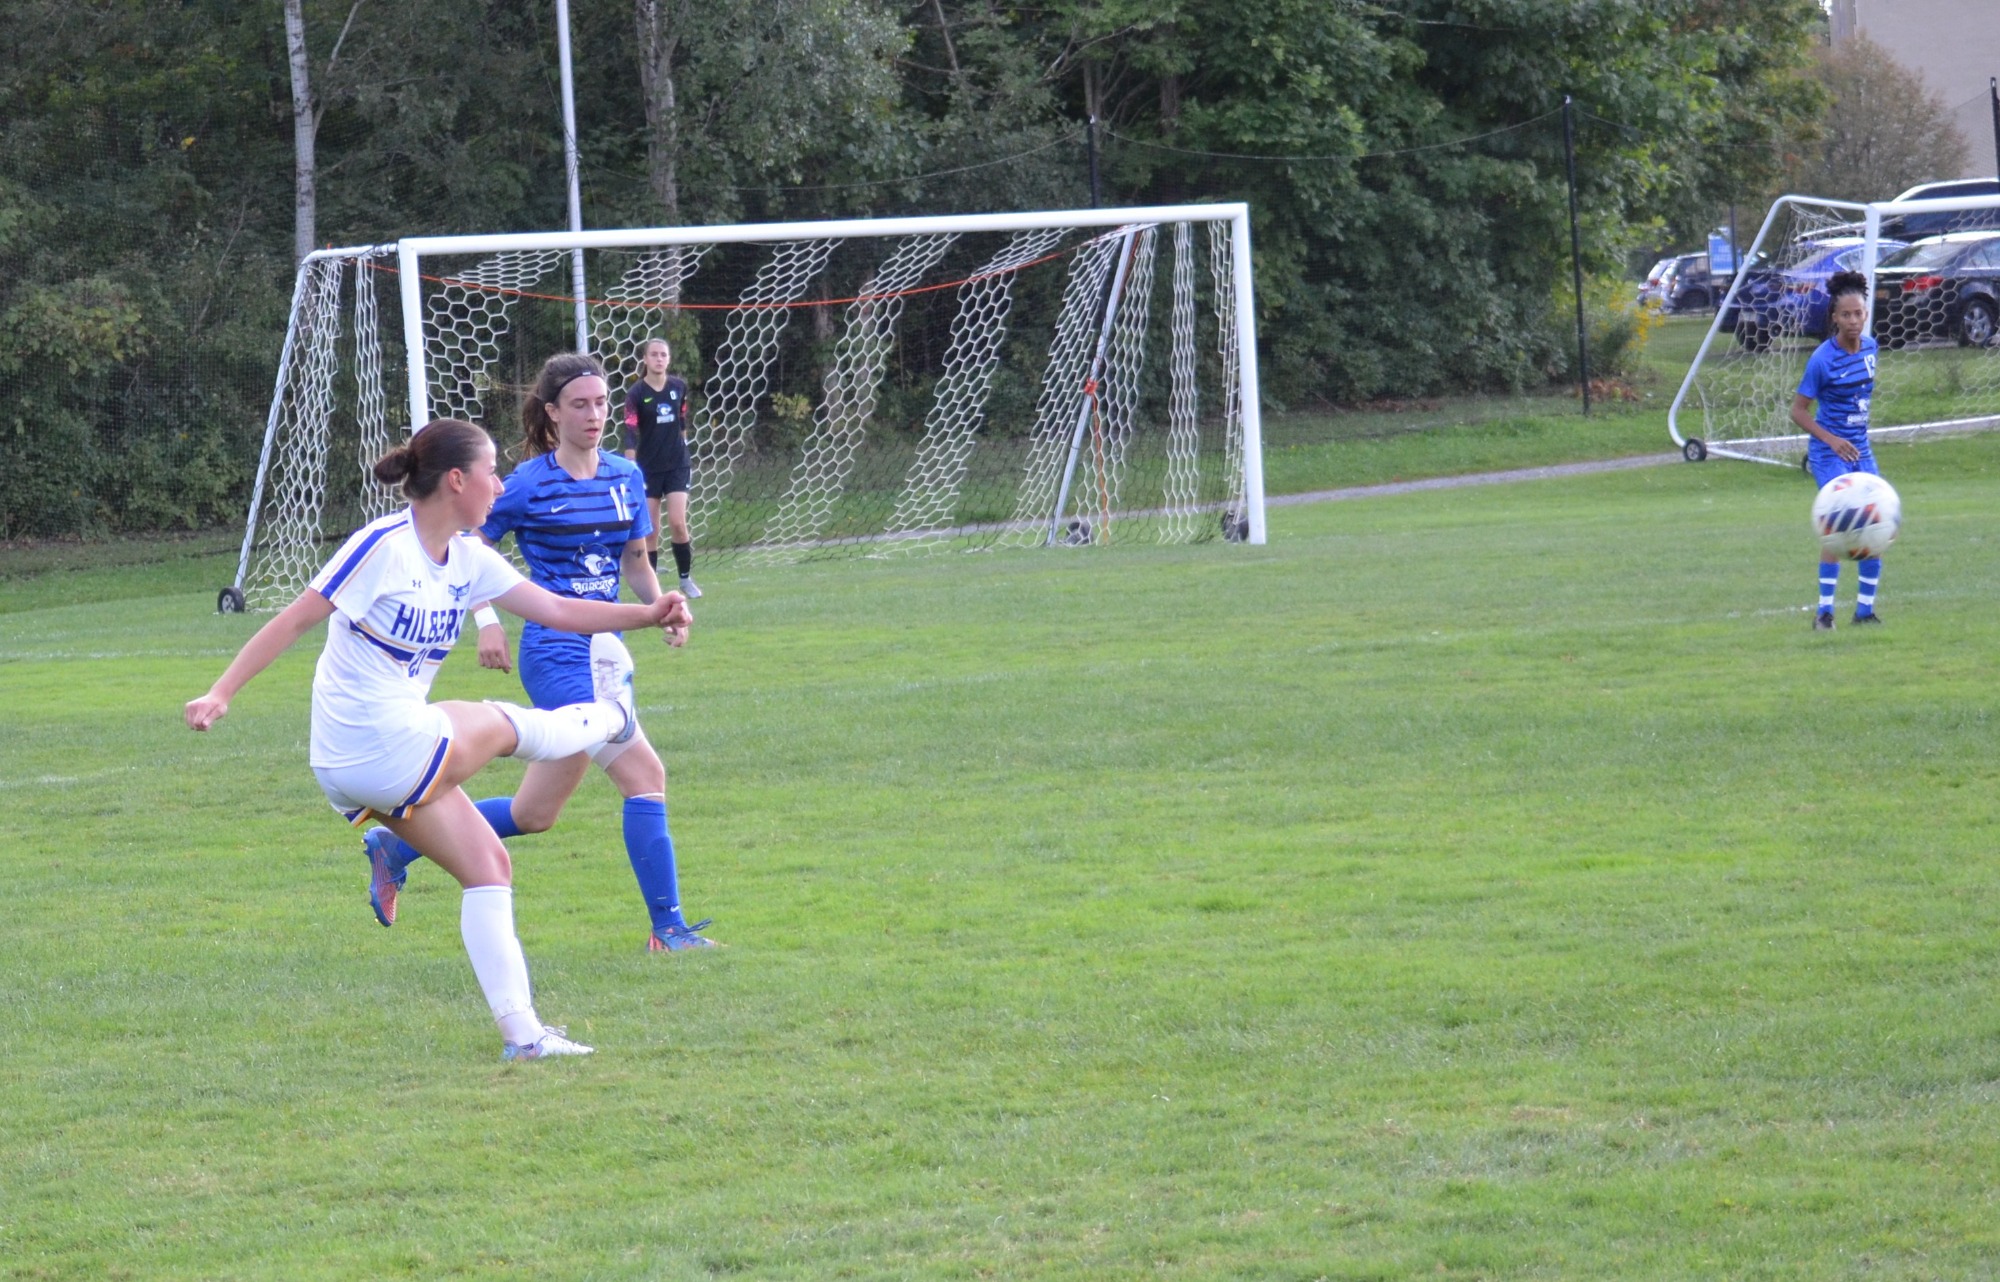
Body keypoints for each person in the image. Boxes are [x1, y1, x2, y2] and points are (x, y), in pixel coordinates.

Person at [184, 418, 693, 1060]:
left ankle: (525, 1037)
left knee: (489, 868)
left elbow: (559, 611)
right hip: (372, 739)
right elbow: (293, 620)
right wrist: (221, 691)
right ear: (458, 480)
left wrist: (646, 613)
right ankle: (611, 720)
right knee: (502, 724)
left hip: (375, 757)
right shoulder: (383, 545)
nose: (500, 482)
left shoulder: (470, 558)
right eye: (491, 471)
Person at [364, 353, 717, 952]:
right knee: (644, 774)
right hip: (555, 651)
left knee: (535, 815)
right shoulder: (525, 482)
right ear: (552, 412)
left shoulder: (624, 478)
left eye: (603, 403)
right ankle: (670, 930)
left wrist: (662, 606)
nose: (594, 414)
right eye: (579, 404)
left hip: (606, 649)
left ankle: (398, 845)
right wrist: (486, 620)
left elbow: (635, 560)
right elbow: (462, 542)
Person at [1790, 269, 1886, 630]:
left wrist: (1855, 440)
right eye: (1845, 315)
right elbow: (1798, 411)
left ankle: (1865, 612)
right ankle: (1824, 613)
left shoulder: (1872, 348)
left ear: (1865, 313)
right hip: (1829, 454)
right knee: (1840, 525)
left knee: (1874, 524)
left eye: (1858, 313)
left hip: (1860, 452)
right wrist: (1831, 439)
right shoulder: (1821, 360)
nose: (1852, 320)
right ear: (1833, 317)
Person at [623, 337, 701, 598]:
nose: (659, 359)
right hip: (648, 469)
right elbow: (631, 430)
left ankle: (685, 579)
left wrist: (684, 444)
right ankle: (652, 587)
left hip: (678, 464)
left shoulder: (679, 387)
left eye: (663, 355)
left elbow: (682, 419)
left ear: (668, 359)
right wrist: (631, 462)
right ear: (645, 359)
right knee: (651, 529)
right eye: (654, 354)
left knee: (678, 522)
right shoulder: (636, 394)